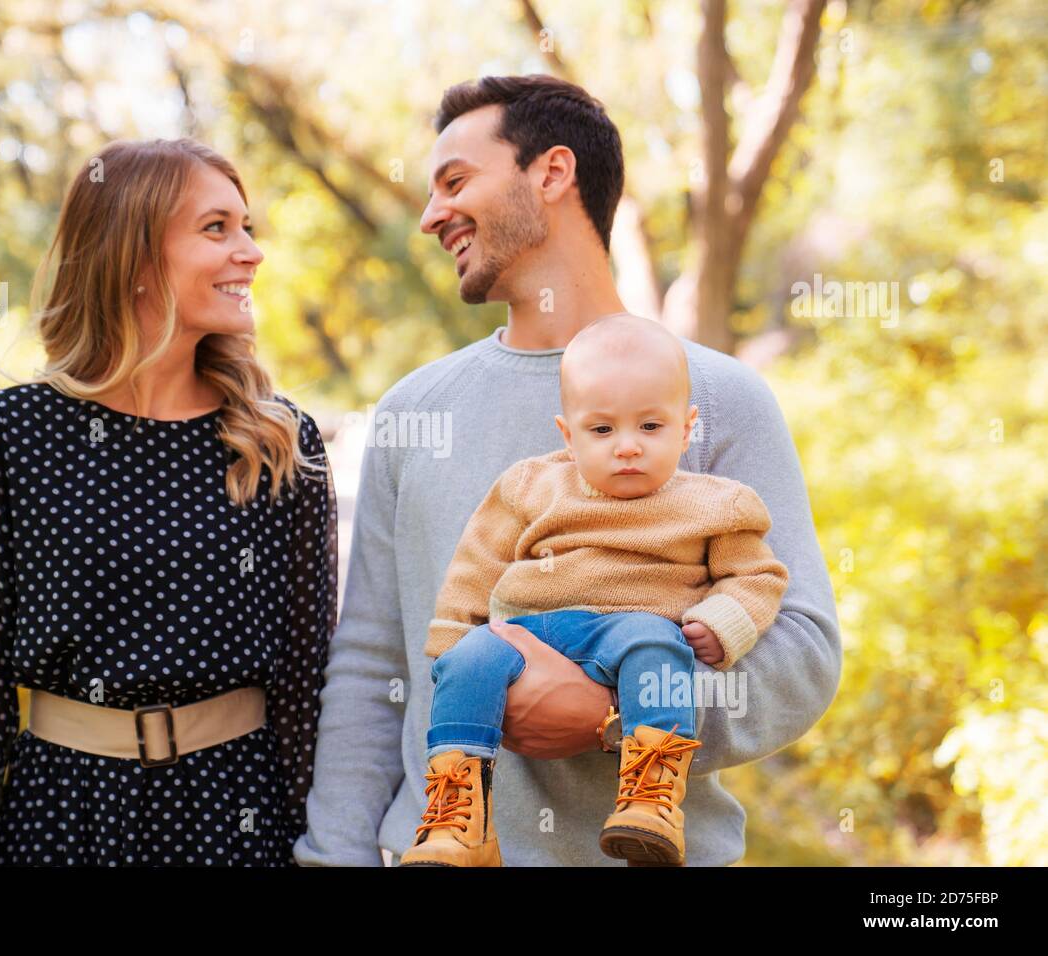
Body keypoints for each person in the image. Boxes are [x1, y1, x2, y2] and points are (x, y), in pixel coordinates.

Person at [294, 75, 840, 867]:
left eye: (455, 182)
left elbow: (803, 651)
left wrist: (613, 714)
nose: (429, 215)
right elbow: (374, 666)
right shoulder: (413, 411)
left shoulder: (717, 397)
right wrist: (333, 858)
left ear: (552, 173)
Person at [0, 138, 339, 866]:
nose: (251, 252)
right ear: (133, 255)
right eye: (216, 228)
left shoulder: (277, 440)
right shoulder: (11, 432)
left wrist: (323, 844)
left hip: (238, 817)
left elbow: (304, 682)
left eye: (248, 226)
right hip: (60, 816)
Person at [399, 314, 789, 866]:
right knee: (470, 661)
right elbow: (476, 566)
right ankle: (461, 822)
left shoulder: (717, 504)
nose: (626, 447)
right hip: (529, 630)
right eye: (602, 430)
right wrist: (452, 642)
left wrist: (724, 621)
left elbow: (758, 577)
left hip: (635, 627)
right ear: (568, 433)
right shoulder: (530, 485)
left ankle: (652, 796)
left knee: (657, 649)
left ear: (687, 427)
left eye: (650, 427)